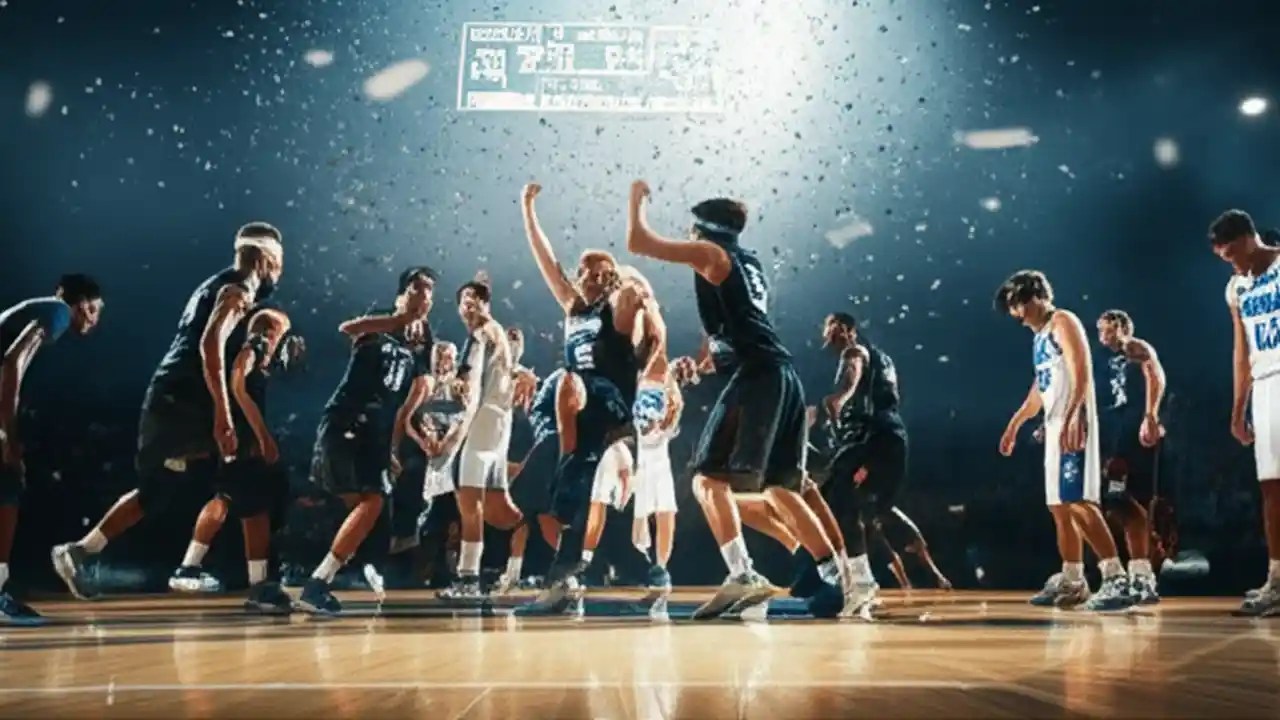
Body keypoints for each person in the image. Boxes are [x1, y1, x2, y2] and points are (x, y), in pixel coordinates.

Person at [627, 180, 845, 619]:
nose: (687, 235)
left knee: (706, 480)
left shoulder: (711, 253)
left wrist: (636, 199)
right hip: (778, 373)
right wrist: (704, 365)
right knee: (780, 486)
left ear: (703, 230)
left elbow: (639, 242)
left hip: (757, 375)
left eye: (692, 229)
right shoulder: (749, 263)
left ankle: (742, 573)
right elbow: (737, 327)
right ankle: (833, 579)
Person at [53, 223, 283, 599]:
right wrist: (223, 413)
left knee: (156, 490)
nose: (279, 274)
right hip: (189, 400)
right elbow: (210, 344)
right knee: (250, 475)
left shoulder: (212, 285)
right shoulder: (240, 289)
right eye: (278, 265)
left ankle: (79, 552)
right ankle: (260, 587)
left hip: (167, 394)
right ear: (263, 259)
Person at [517, 182, 663, 615]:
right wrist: (527, 208)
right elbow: (545, 258)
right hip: (576, 410)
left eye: (605, 274)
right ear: (578, 278)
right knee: (558, 498)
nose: (596, 279)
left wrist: (637, 289)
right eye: (589, 273)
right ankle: (564, 575)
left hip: (608, 400)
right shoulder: (572, 306)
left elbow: (640, 309)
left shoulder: (616, 308)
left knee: (567, 385)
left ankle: (565, 465)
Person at [297, 267, 436, 615]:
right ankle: (320, 575)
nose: (425, 295)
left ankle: (325, 578)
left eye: (430, 291)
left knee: (372, 503)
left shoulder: (422, 341)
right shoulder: (379, 321)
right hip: (347, 417)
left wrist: (395, 442)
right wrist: (397, 321)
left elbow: (410, 397)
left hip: (377, 429)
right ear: (401, 294)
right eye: (417, 288)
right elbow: (347, 329)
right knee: (362, 502)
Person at [995, 270, 1134, 611]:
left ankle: (1116, 577)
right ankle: (1073, 578)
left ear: (1036, 296)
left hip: (1074, 419)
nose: (1015, 313)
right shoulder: (1039, 337)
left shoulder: (1063, 321)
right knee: (1058, 506)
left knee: (1079, 501)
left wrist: (1075, 414)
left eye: (1017, 304)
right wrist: (1015, 422)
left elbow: (1081, 368)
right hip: (1055, 422)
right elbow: (1039, 388)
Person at [168, 308, 305, 614]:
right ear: (271, 331)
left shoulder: (258, 353)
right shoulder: (255, 346)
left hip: (239, 438)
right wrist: (262, 435)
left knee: (252, 510)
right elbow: (238, 385)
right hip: (244, 439)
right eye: (281, 333)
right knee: (229, 499)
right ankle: (189, 567)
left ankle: (258, 587)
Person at [817, 312, 949, 604]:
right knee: (867, 508)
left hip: (870, 435)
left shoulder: (855, 351)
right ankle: (860, 579)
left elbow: (853, 372)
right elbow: (892, 396)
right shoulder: (885, 360)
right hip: (893, 439)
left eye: (831, 328)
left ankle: (858, 580)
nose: (827, 335)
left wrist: (839, 398)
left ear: (847, 329)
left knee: (834, 500)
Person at [0, 274, 104, 622]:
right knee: (7, 489)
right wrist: (8, 434)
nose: (95, 320)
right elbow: (12, 362)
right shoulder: (58, 314)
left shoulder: (40, 310)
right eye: (96, 311)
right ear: (84, 305)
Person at [437, 278, 536, 601]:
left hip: (482, 421)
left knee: (469, 504)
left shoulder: (480, 333)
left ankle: (468, 580)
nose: (469, 305)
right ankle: (517, 568)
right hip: (500, 423)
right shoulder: (499, 336)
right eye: (464, 300)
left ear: (486, 305)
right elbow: (509, 368)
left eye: (475, 299)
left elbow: (470, 375)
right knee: (501, 510)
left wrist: (459, 384)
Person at [1211, 209, 1280, 616]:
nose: (1232, 262)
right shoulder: (1236, 287)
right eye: (1224, 258)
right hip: (1265, 382)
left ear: (1250, 238)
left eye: (1234, 252)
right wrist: (1238, 409)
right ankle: (1277, 579)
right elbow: (1241, 352)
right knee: (1271, 486)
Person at [1095, 309, 1166, 604]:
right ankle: (1139, 571)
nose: (1103, 335)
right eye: (1100, 330)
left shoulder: (1136, 347)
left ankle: (1143, 575)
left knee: (1133, 499)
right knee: (1116, 502)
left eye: (1108, 329)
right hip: (1117, 431)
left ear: (1122, 327)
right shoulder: (1111, 360)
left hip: (1136, 431)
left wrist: (1150, 415)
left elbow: (1156, 374)